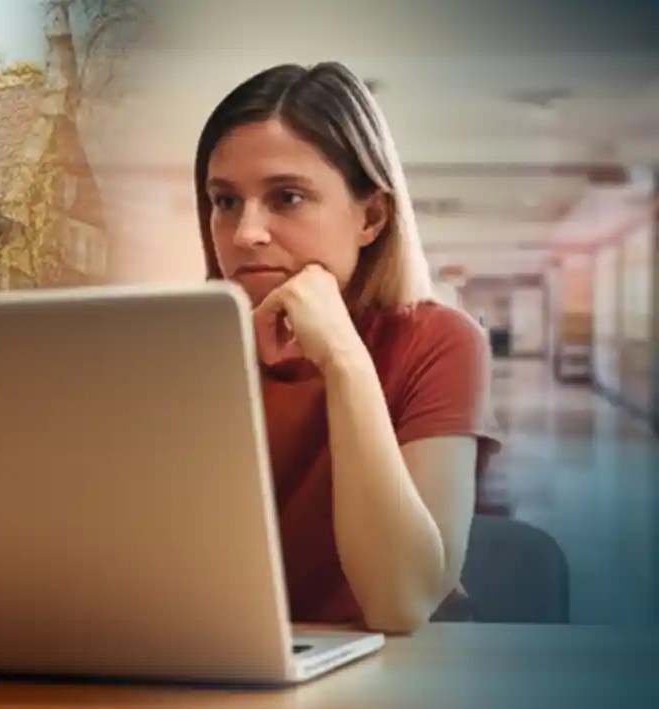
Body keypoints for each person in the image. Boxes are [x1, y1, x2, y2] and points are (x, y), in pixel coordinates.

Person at [193, 61, 500, 633]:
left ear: (372, 216)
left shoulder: (441, 341)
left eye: (286, 197)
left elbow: (400, 601)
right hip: (237, 662)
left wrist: (343, 357)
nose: (244, 234)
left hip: (403, 675)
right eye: (225, 201)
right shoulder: (191, 348)